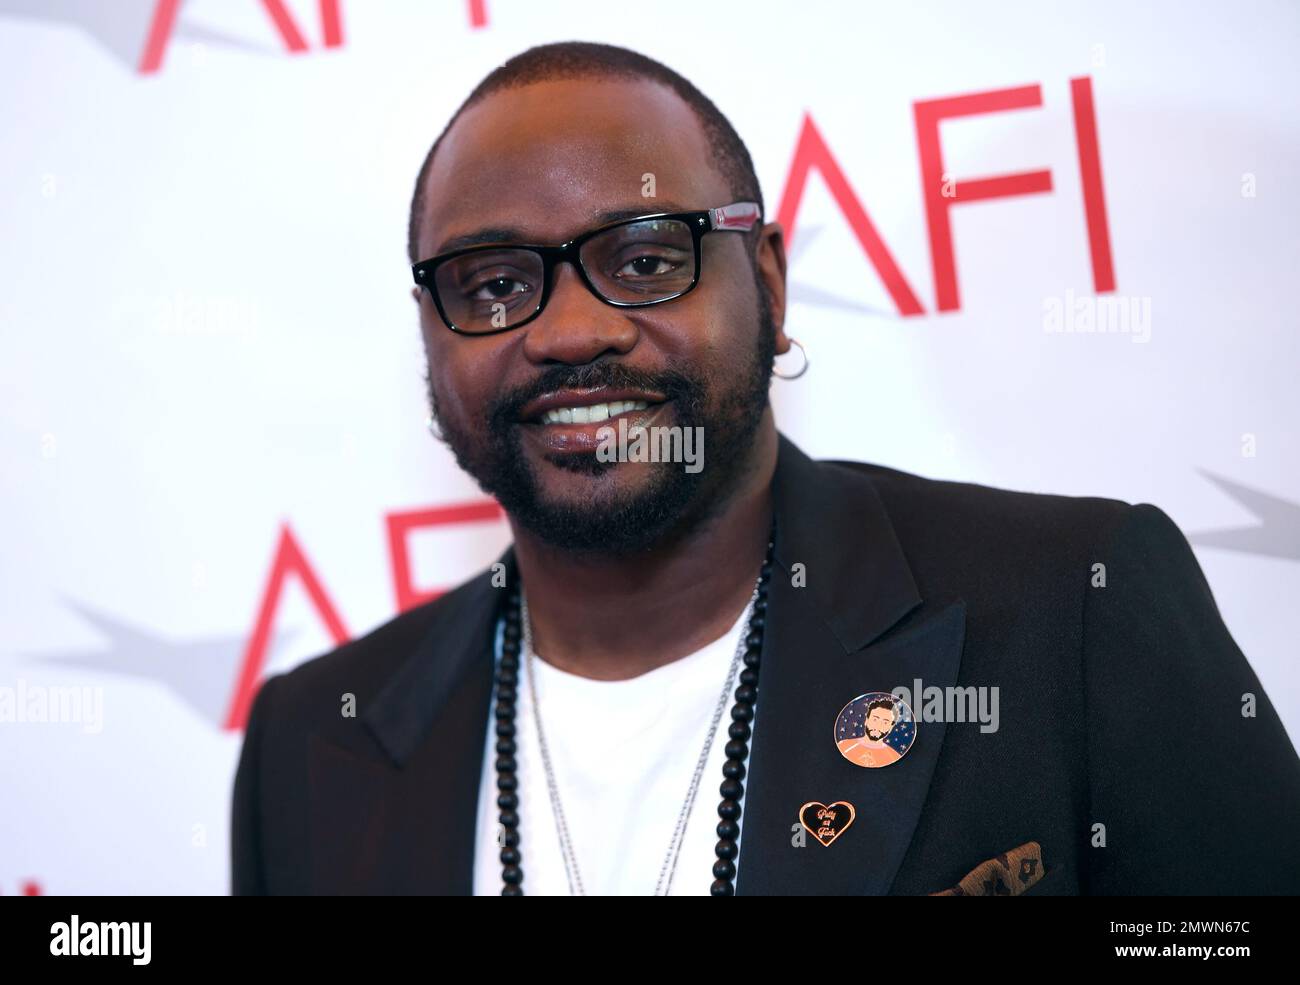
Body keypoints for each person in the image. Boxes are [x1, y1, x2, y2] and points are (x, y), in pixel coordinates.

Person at [231, 41, 1300, 896]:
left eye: (645, 259)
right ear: (430, 334)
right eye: (495, 283)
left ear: (769, 286)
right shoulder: (312, 743)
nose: (567, 330)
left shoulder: (1072, 607)